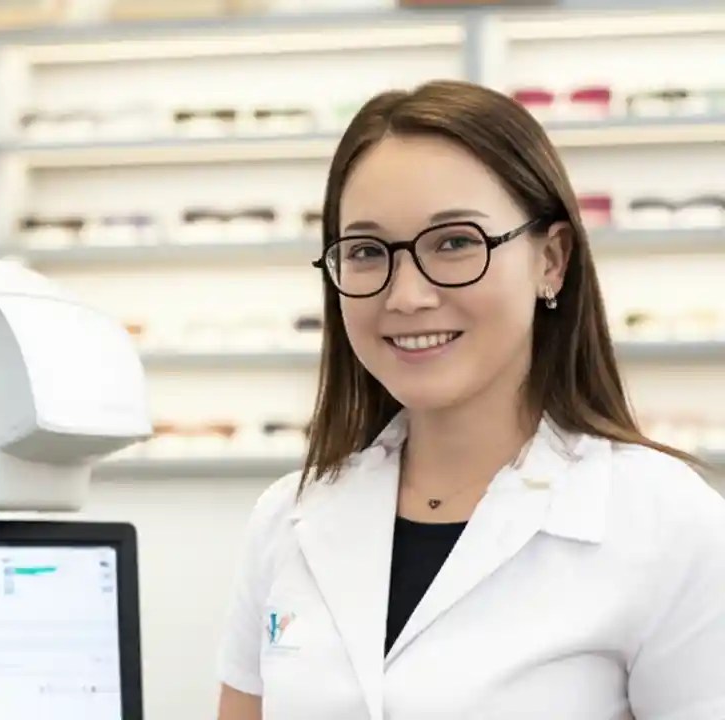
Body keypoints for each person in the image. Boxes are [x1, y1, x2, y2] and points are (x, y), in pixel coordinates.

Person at [216, 80, 725, 720]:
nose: (406, 295)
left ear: (552, 260)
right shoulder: (286, 518)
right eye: (369, 252)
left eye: (455, 242)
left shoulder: (671, 526)